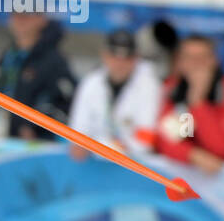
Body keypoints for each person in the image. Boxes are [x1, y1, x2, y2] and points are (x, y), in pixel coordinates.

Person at [67, 30, 161, 161]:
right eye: (114, 55)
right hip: (96, 162)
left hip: (135, 163)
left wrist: (122, 147)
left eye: (127, 57)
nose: (120, 63)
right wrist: (87, 144)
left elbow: (146, 138)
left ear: (136, 58)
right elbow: (78, 130)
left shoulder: (149, 85)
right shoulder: (92, 82)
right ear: (104, 55)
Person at [151, 35, 224, 174]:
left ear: (214, 60)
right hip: (187, 177)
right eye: (189, 58)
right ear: (180, 62)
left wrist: (197, 102)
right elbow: (167, 141)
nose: (196, 64)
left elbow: (221, 150)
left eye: (202, 58)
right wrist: (192, 154)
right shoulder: (174, 89)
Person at [0, 11, 76, 140]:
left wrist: (34, 127)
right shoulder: (7, 57)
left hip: (34, 145)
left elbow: (66, 103)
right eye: (16, 15)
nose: (20, 21)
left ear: (42, 20)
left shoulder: (54, 61)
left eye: (27, 16)